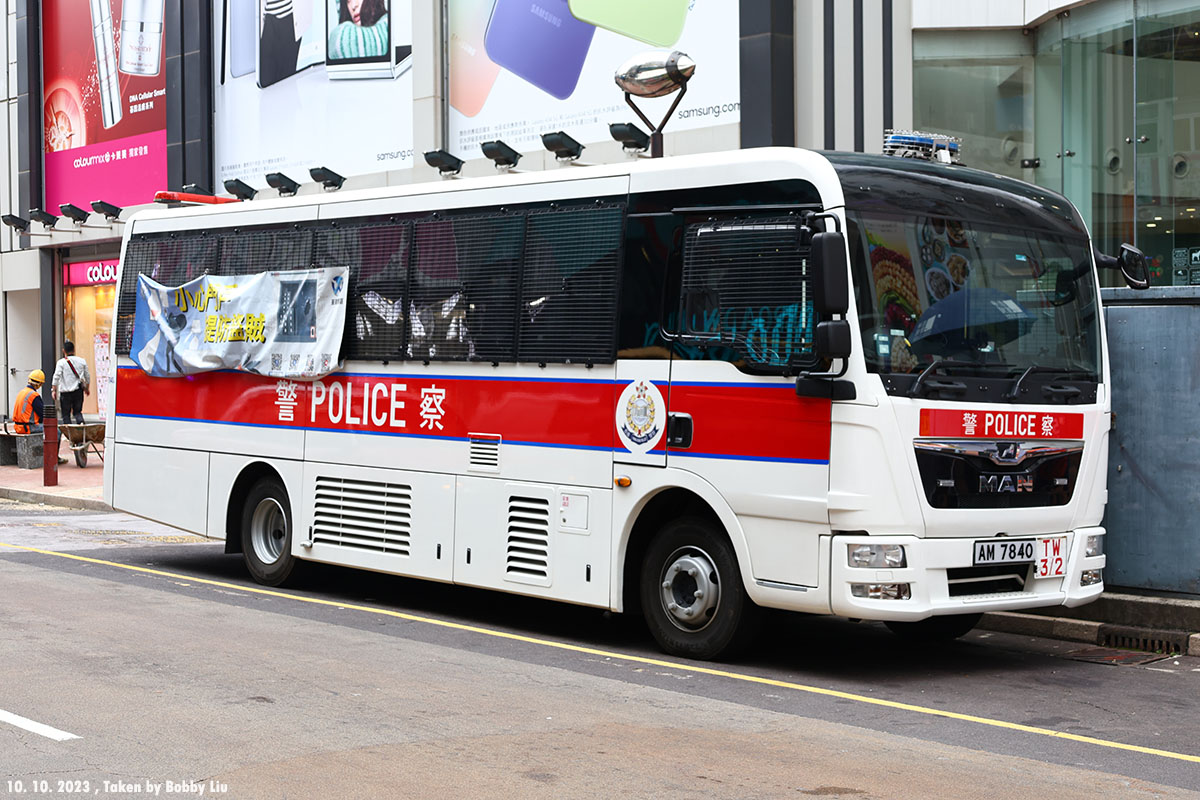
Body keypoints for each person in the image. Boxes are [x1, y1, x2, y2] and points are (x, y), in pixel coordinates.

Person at [52, 340, 90, 426]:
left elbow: (56, 376)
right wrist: (87, 388)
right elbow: (87, 376)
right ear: (74, 350)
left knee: (66, 415)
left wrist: (53, 390)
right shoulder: (82, 361)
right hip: (78, 391)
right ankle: (81, 428)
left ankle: (68, 434)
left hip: (65, 393)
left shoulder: (61, 362)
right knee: (77, 412)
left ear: (63, 350)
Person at [12, 369, 45, 434]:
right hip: (28, 427)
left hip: (18, 427)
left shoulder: (22, 392)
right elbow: (43, 414)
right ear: (40, 384)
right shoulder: (34, 395)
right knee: (55, 430)